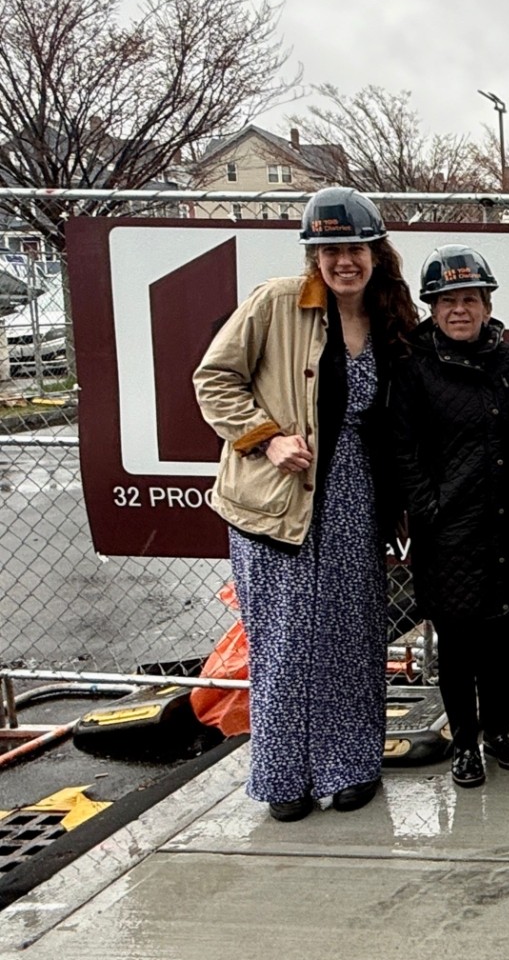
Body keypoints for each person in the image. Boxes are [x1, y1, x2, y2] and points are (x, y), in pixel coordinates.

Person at [193, 187, 415, 822]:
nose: (344, 261)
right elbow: (214, 378)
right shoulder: (276, 304)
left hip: (356, 496)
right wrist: (265, 439)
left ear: (375, 252)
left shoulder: (388, 316)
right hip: (277, 497)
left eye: (355, 248)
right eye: (329, 250)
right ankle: (285, 775)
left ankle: (352, 765)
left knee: (351, 633)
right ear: (312, 255)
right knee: (285, 639)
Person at [390, 245, 509, 788]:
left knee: (503, 639)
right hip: (448, 530)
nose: (459, 310)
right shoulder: (415, 366)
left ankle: (499, 732)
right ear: (431, 306)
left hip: (506, 522)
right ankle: (466, 742)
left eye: (469, 300)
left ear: (486, 304)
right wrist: (427, 508)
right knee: (456, 645)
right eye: (447, 300)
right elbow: (401, 447)